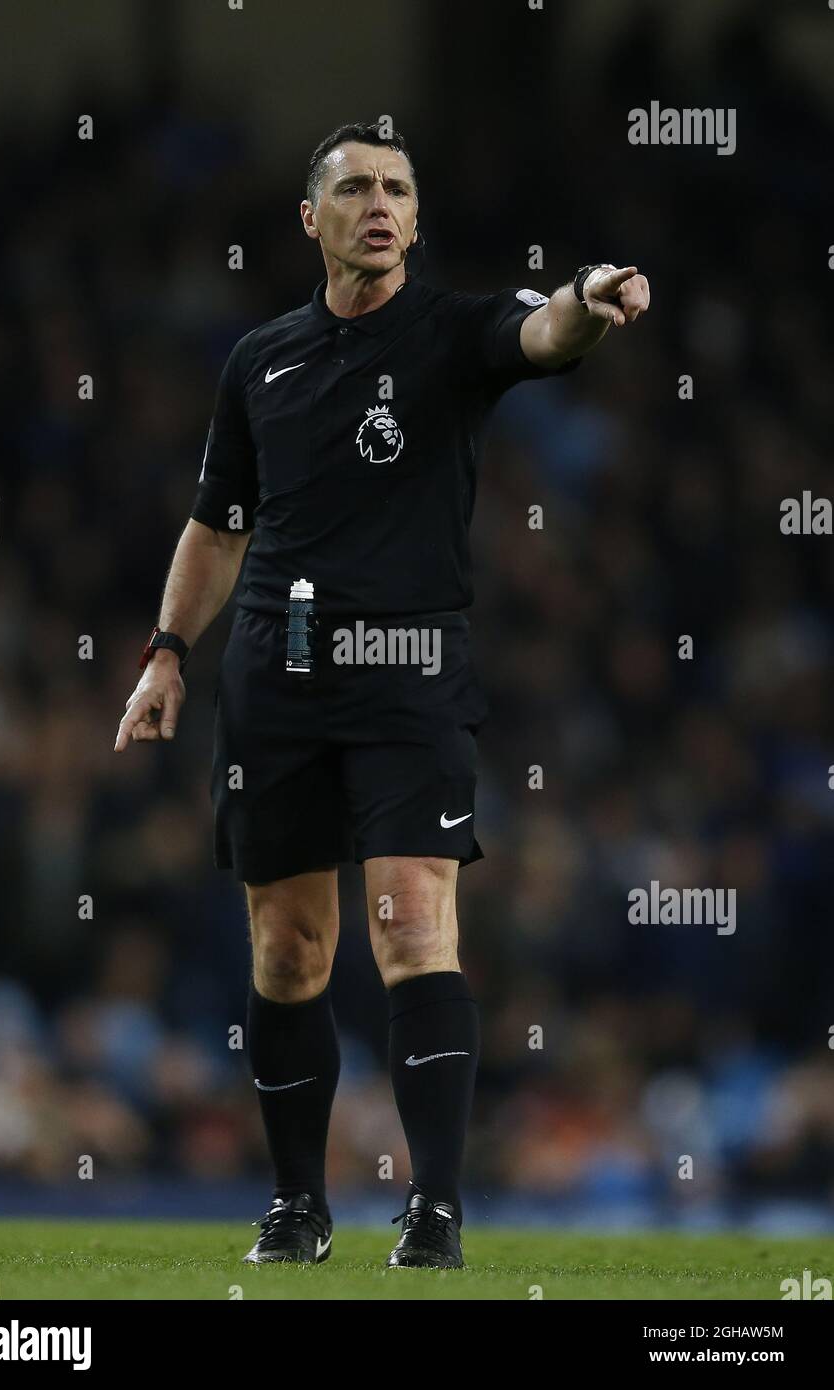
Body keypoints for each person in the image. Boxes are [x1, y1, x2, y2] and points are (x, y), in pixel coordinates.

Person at [114, 121, 650, 1268]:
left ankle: (438, 1206)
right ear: (310, 218)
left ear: (417, 215)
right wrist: (166, 653)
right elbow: (217, 528)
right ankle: (299, 1205)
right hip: (277, 673)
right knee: (291, 949)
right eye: (354, 187)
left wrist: (586, 299)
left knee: (414, 920)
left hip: (411, 674)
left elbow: (541, 332)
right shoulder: (261, 359)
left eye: (399, 187)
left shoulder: (454, 333)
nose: (380, 204)